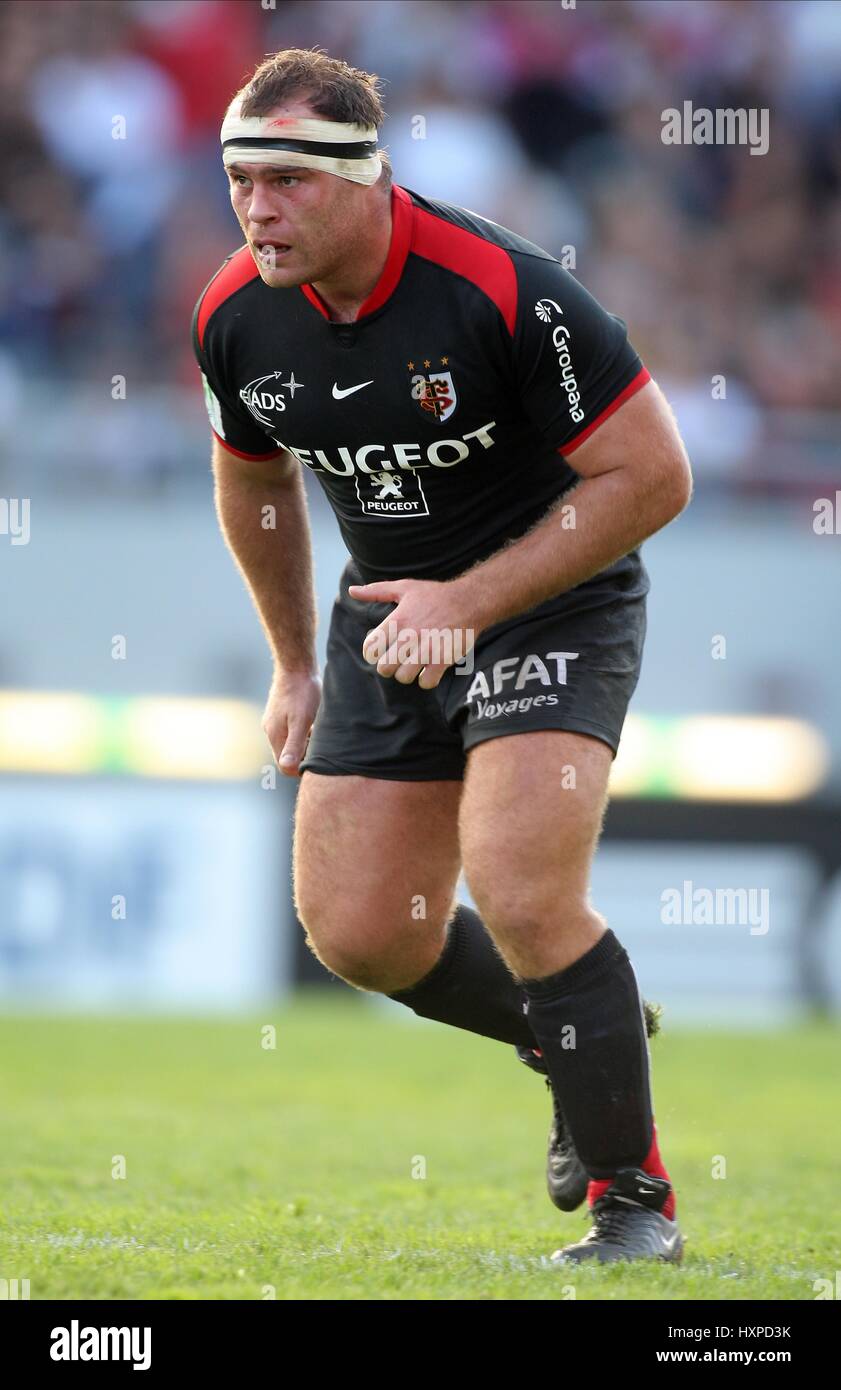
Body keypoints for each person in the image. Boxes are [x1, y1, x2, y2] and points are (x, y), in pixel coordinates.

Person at [192, 48, 692, 1264]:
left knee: (522, 890)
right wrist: (295, 664)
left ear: (368, 177)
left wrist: (469, 601)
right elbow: (253, 480)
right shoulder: (234, 316)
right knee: (363, 933)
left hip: (549, 604)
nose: (258, 208)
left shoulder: (505, 289)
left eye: (287, 182)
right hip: (389, 621)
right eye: (239, 180)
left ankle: (638, 1203)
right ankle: (576, 1029)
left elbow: (652, 476)